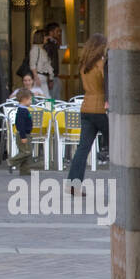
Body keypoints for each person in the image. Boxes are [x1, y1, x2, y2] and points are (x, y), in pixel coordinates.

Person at [67, 34, 109, 184]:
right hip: (100, 109)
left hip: (86, 107)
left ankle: (73, 184)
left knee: (82, 149)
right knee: (116, 142)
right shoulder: (101, 63)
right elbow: (108, 83)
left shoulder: (85, 65)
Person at [11, 89, 34, 175]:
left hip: (26, 134)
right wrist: (23, 136)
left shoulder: (24, 110)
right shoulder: (22, 111)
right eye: (30, 99)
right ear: (24, 99)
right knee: (26, 152)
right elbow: (20, 125)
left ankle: (25, 170)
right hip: (23, 135)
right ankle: (11, 161)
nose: (31, 101)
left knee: (27, 154)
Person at [28, 29, 52, 94]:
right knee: (43, 97)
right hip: (38, 76)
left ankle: (47, 104)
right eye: (45, 36)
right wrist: (36, 77)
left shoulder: (42, 49)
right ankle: (47, 105)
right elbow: (32, 64)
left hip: (43, 77)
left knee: (45, 96)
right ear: (40, 37)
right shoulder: (35, 49)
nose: (47, 38)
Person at [44, 22, 63, 99]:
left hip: (54, 76)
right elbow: (48, 62)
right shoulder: (49, 45)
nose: (59, 33)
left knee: (55, 97)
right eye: (57, 31)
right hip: (51, 76)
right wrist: (50, 78)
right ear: (51, 32)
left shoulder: (53, 44)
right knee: (52, 99)